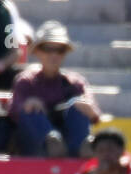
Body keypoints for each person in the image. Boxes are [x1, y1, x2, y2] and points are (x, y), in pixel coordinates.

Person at [11, 21, 101, 158]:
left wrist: (82, 106)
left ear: (64, 54)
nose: (54, 55)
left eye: (59, 50)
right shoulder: (26, 81)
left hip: (71, 144)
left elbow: (95, 115)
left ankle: (83, 147)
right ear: (37, 52)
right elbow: (14, 111)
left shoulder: (76, 82)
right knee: (31, 111)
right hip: (35, 147)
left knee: (78, 107)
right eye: (48, 49)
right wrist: (28, 105)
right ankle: (51, 142)